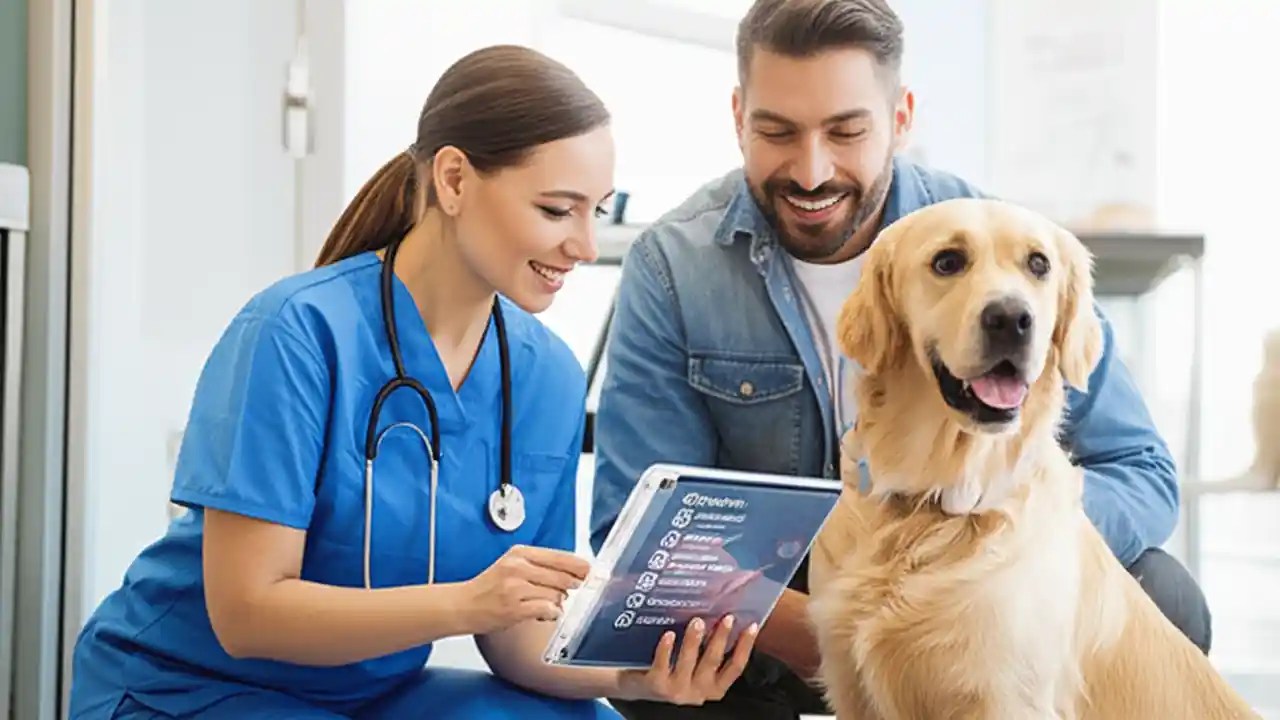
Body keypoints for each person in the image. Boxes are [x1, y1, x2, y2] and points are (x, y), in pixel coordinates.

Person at [68, 45, 757, 720]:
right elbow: (246, 613)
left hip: (368, 696)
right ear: (453, 180)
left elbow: (516, 633)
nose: (582, 245)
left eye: (596, 212)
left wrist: (636, 678)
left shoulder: (544, 374)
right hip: (186, 686)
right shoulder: (295, 332)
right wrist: (464, 601)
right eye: (555, 210)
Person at [590, 2, 1212, 718]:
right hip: (773, 631)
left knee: (1164, 596)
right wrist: (845, 627)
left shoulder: (1004, 251)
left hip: (979, 612)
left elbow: (1140, 470)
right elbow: (635, 534)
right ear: (738, 117)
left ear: (902, 117)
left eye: (847, 131)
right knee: (659, 663)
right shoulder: (674, 267)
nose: (813, 169)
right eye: (776, 132)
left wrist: (993, 571)